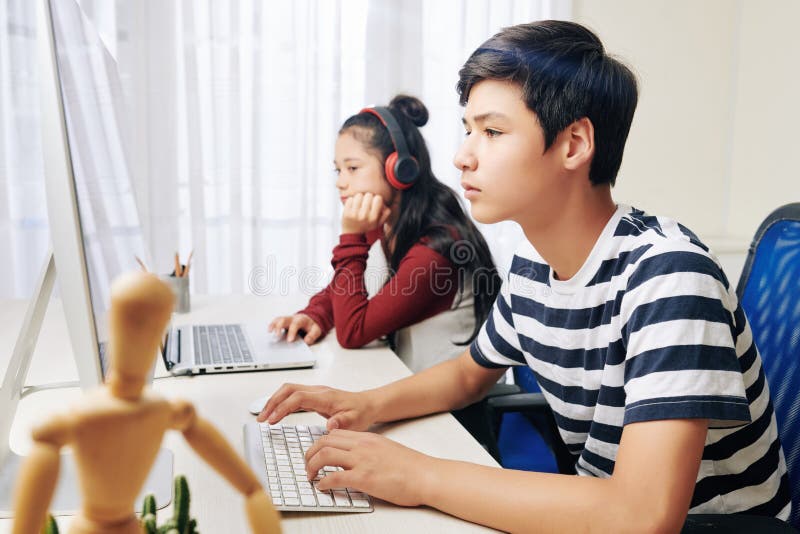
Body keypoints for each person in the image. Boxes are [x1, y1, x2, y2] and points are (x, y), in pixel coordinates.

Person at [257, 20, 792, 532]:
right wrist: (365, 405)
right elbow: (470, 373)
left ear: (574, 145)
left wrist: (418, 474)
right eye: (467, 130)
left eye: (491, 131)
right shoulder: (535, 265)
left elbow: (643, 516)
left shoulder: (668, 275)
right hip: (599, 511)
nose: (462, 156)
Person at [269, 95, 500, 373]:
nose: (341, 182)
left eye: (353, 168)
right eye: (338, 170)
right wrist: (315, 315)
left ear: (399, 170)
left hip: (451, 412)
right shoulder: (390, 223)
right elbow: (345, 288)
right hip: (405, 384)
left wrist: (351, 238)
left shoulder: (436, 248)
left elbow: (353, 332)